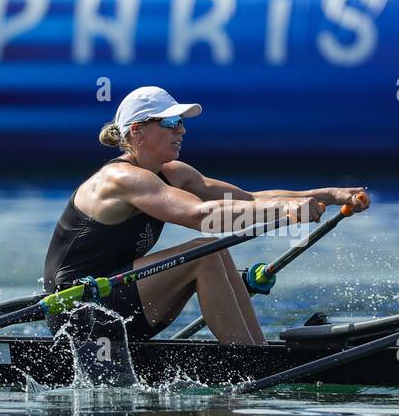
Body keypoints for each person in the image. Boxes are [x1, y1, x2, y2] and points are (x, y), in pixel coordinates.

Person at [43, 86, 369, 345]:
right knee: (204, 255)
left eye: (182, 122)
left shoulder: (175, 173)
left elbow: (249, 198)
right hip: (76, 311)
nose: (182, 130)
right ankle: (249, 361)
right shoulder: (120, 179)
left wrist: (332, 195)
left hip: (116, 302)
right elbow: (201, 216)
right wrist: (282, 211)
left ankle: (257, 351)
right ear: (138, 131)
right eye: (171, 123)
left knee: (216, 250)